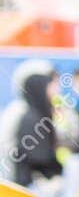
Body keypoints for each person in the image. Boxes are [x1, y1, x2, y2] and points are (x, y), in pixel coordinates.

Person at [0, 61, 61, 190]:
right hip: (22, 182)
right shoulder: (22, 111)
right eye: (50, 83)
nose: (56, 89)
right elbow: (34, 156)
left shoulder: (41, 110)